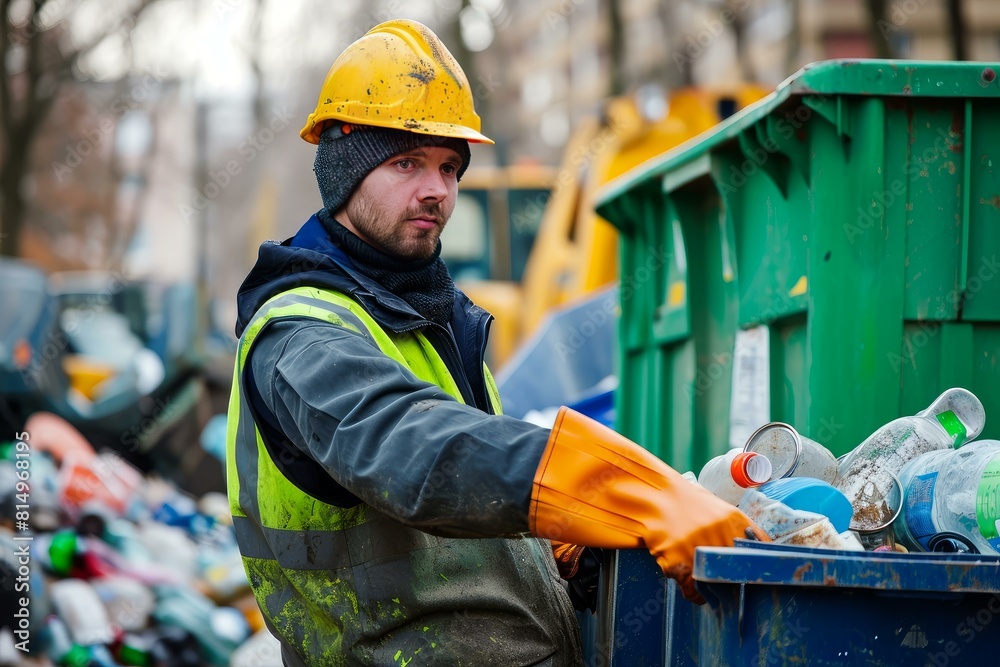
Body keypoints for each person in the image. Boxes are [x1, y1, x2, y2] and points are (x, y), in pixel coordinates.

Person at [228, 19, 765, 666]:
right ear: (344, 170)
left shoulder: (430, 316)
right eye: (407, 162)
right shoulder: (301, 334)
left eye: (450, 167)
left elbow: (471, 496)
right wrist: (612, 488)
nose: (438, 190)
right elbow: (419, 455)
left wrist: (550, 546)